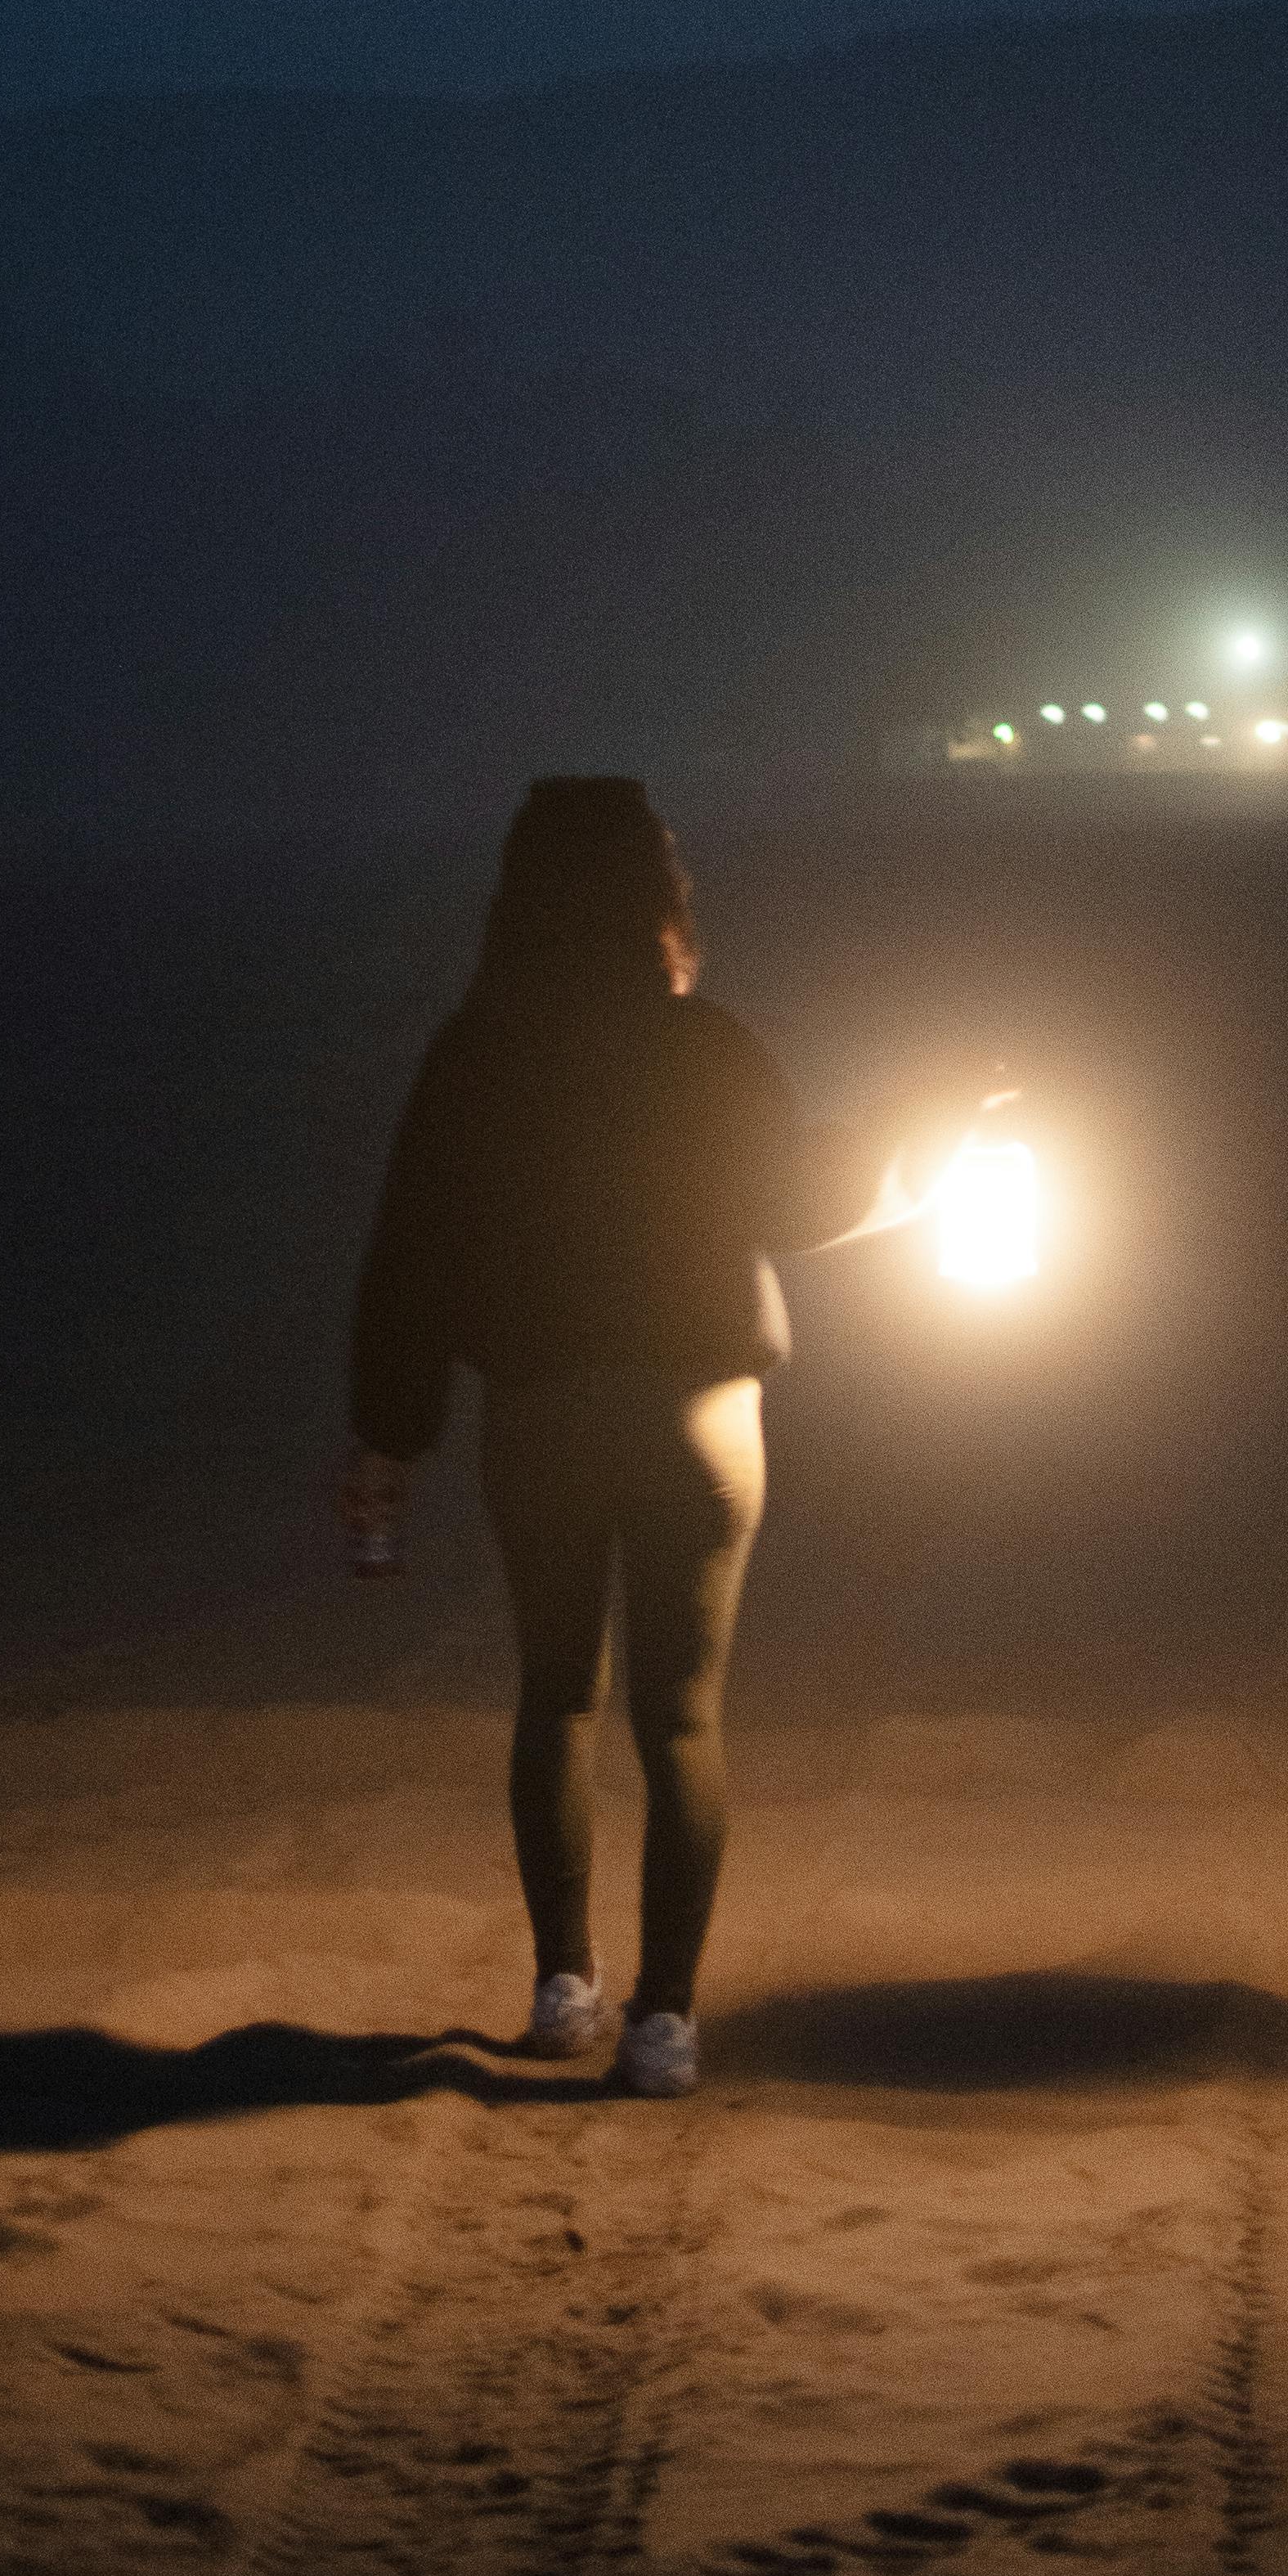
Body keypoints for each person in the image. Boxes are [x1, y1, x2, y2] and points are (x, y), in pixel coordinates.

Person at [342, 775, 948, 2097]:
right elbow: (792, 1204)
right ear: (655, 897)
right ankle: (664, 2025)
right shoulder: (711, 1045)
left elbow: (413, 1255)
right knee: (681, 1722)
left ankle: (565, 1990)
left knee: (558, 1698)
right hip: (702, 1417)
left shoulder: (474, 1053)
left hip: (542, 1412)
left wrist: (389, 1433)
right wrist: (908, 1137)